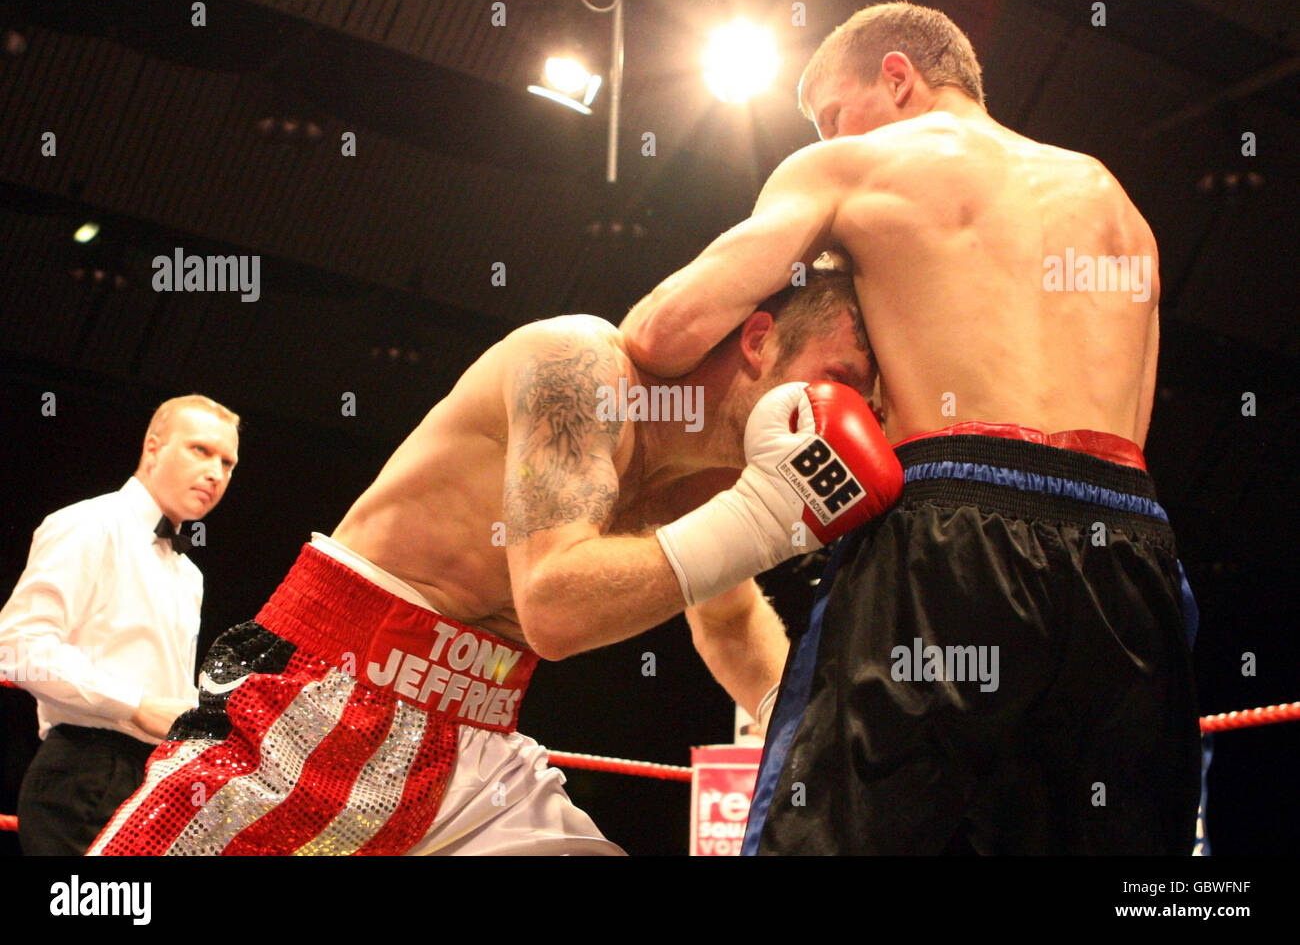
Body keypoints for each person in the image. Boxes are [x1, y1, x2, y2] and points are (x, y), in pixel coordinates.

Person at [621, 1, 1201, 854]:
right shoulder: (1114, 202)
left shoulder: (852, 167)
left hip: (953, 526)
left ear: (897, 77)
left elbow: (661, 334)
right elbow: (1136, 421)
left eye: (830, 113)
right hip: (1130, 544)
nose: (826, 134)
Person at [89, 272, 902, 856]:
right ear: (759, 341)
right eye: (840, 381)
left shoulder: (716, 486)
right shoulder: (580, 367)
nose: (847, 418)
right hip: (321, 702)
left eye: (869, 405)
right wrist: (765, 517)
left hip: (478, 750)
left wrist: (811, 747)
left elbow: (727, 623)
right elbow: (554, 605)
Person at [0, 394, 240, 854]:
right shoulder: (91, 524)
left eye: (228, 462)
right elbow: (18, 645)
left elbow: (166, 691)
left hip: (149, 781)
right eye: (200, 450)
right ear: (153, 448)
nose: (215, 472)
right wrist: (134, 704)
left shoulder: (188, 574)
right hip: (85, 773)